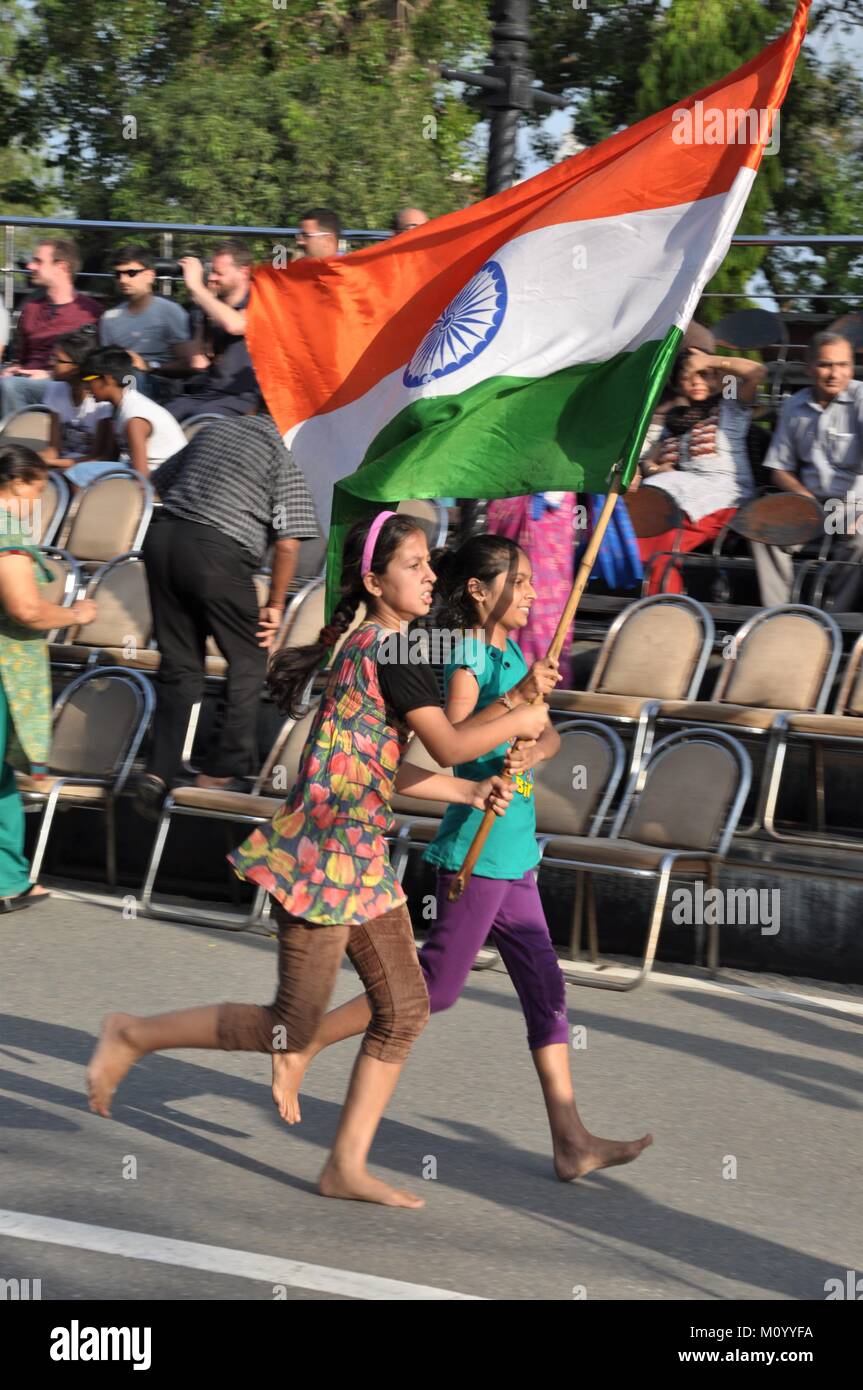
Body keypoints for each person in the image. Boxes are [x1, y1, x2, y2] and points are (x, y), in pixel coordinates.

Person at [87, 512, 548, 1209]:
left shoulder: (385, 646)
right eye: (414, 564)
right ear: (373, 580)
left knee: (406, 1006)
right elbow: (449, 743)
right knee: (291, 1025)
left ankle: (345, 1165)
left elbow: (392, 770)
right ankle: (133, 1034)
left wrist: (473, 788)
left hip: (359, 857)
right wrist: (519, 714)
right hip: (322, 855)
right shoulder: (391, 652)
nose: (430, 574)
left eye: (429, 563)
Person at [266, 532, 653, 1181]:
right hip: (476, 844)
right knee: (433, 989)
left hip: (515, 842)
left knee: (544, 988)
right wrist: (512, 710)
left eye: (531, 582)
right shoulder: (467, 656)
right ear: (477, 590)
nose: (531, 593)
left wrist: (535, 747)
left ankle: (570, 1140)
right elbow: (447, 746)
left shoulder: (516, 650)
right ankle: (301, 1044)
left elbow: (546, 730)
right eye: (519, 581)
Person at [132, 410, 319, 813]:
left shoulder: (215, 427)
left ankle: (158, 771)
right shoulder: (284, 453)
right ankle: (221, 769)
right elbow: (288, 542)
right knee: (250, 659)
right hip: (217, 551)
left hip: (162, 539)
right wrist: (274, 604)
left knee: (180, 666)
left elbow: (157, 483)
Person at [0, 445, 97, 911]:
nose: (35, 504)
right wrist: (73, 612)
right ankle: (7, 880)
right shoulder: (7, 531)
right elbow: (25, 608)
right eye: (35, 491)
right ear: (17, 484)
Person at [636, 347, 765, 594]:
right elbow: (650, 463)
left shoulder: (730, 405)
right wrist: (655, 469)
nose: (696, 381)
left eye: (704, 374)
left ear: (716, 376)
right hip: (679, 493)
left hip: (723, 496)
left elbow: (757, 372)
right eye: (688, 377)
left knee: (662, 542)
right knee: (643, 523)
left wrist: (708, 360)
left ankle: (664, 609)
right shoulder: (675, 420)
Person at [752, 332, 863, 609]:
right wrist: (807, 500)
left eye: (843, 365)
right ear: (810, 366)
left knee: (860, 542)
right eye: (826, 364)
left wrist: (851, 509)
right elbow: (779, 468)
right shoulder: (794, 405)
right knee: (764, 530)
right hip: (810, 502)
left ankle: (834, 620)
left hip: (855, 502)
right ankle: (778, 614)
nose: (834, 373)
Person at [0, 240, 103, 417]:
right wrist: (13, 369)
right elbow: (22, 359)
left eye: (38, 261)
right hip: (26, 379)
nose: (30, 266)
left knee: (10, 386)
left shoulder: (91, 312)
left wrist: (49, 375)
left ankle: (15, 441)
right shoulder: (30, 308)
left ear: (61, 267)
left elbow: (92, 367)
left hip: (64, 383)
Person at [487, 492, 578, 686]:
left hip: (550, 516)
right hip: (515, 497)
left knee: (543, 614)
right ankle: (506, 685)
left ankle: (546, 691)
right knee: (507, 598)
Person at [167, 242, 259, 422]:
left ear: (244, 272)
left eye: (219, 273)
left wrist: (197, 287)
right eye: (211, 271)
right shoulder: (209, 307)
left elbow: (236, 325)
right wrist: (205, 309)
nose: (213, 278)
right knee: (158, 420)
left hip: (244, 395)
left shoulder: (261, 300)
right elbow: (198, 362)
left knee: (201, 422)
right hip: (207, 394)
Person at [70, 346, 186, 483]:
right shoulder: (117, 408)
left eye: (88, 379)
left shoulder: (134, 418)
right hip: (143, 472)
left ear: (108, 379)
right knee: (79, 472)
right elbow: (108, 457)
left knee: (78, 474)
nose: (86, 386)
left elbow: (141, 476)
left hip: (163, 479)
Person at [99, 245, 191, 390]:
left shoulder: (170, 311)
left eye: (131, 273)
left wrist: (149, 366)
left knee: (134, 378)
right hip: (118, 382)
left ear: (150, 275)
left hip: (161, 382)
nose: (122, 280)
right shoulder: (109, 317)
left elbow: (188, 363)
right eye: (118, 274)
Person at [39, 329, 114, 467]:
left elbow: (96, 457)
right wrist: (35, 459)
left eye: (57, 360)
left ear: (76, 368)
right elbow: (54, 449)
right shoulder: (54, 390)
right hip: (61, 463)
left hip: (87, 468)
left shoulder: (102, 402)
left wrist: (51, 463)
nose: (51, 363)